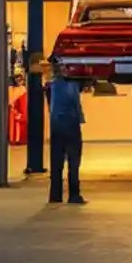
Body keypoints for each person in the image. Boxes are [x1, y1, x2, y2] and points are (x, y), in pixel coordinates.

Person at [42, 57, 87, 204]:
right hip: (71, 125)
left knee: (57, 164)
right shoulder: (73, 84)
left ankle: (55, 196)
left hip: (57, 126)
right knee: (73, 163)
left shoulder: (50, 85)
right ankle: (74, 195)